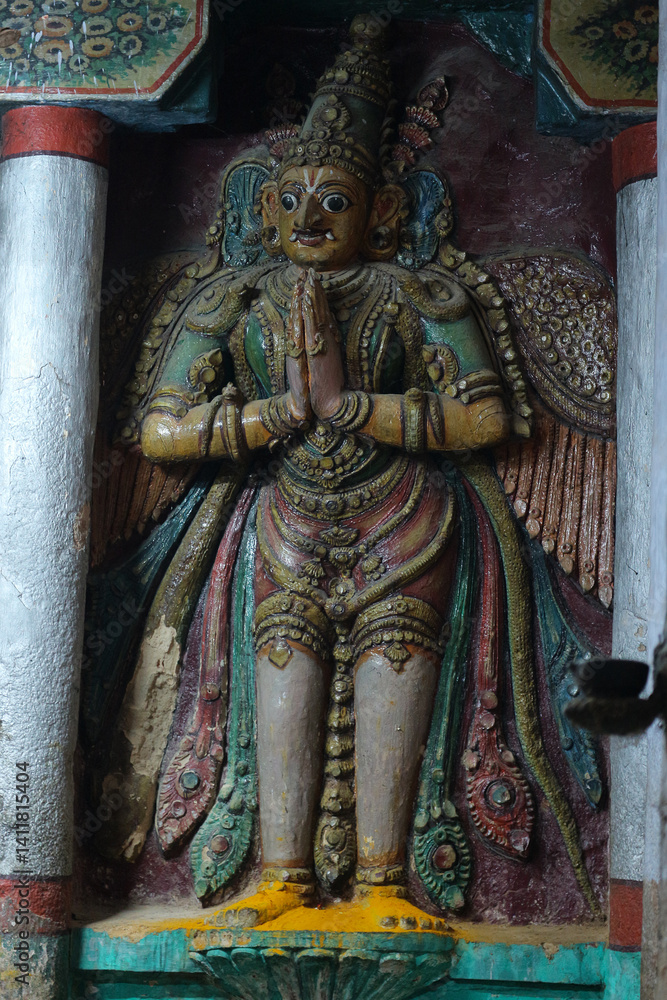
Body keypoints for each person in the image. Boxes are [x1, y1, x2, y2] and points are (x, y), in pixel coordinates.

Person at [139, 16, 513, 929]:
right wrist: (266, 417)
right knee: (284, 672)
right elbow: (158, 431)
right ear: (265, 211)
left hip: (404, 517)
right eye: (293, 201)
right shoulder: (235, 299)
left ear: (381, 214)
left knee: (396, 666)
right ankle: (281, 880)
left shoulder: (422, 295)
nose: (308, 218)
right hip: (287, 516)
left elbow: (485, 414)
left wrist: (361, 410)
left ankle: (386, 884)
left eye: (334, 202)